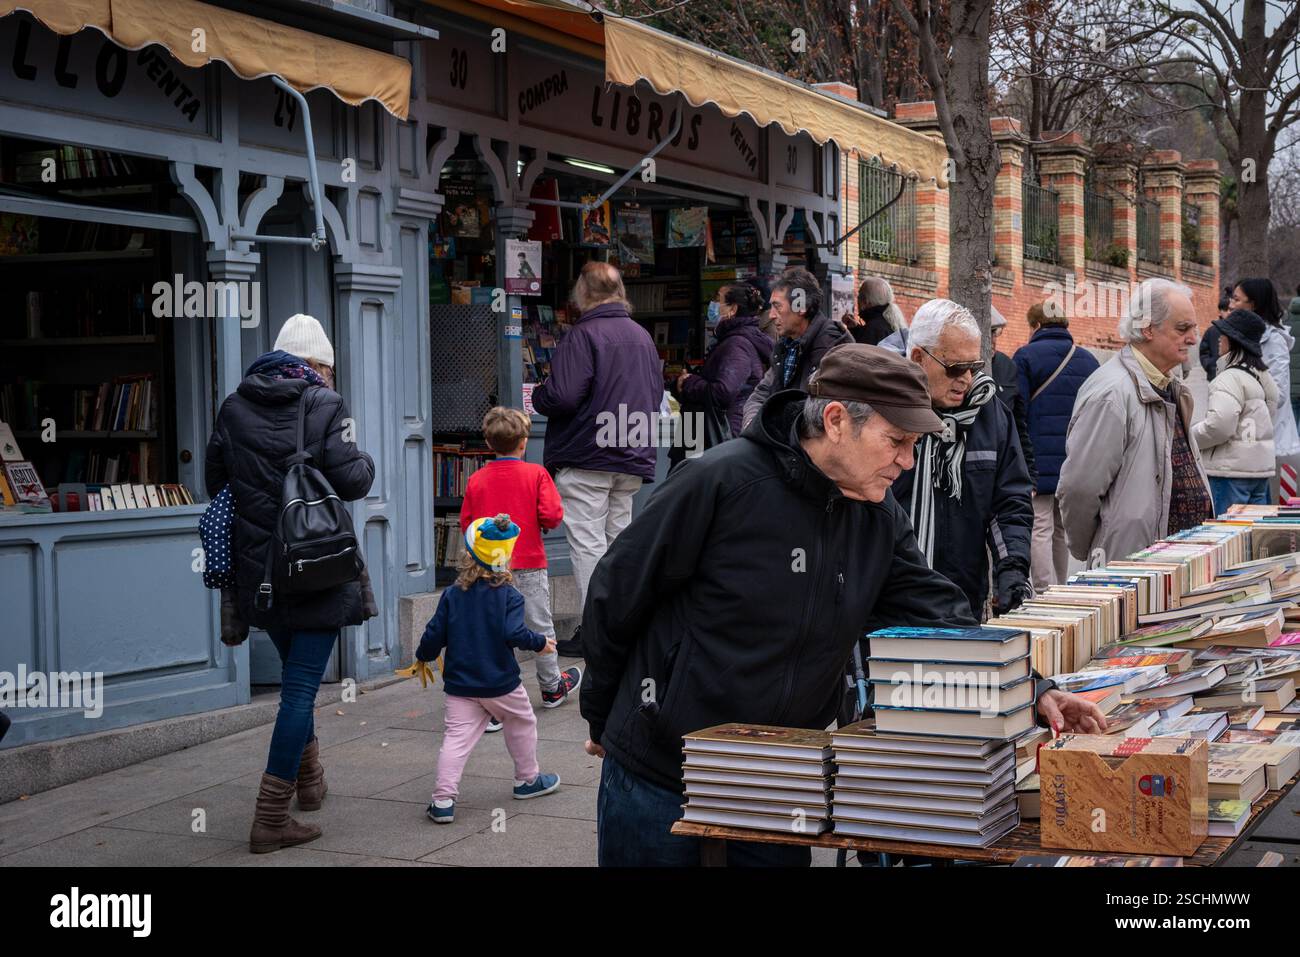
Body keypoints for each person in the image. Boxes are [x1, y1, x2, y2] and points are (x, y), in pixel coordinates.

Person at [580, 344, 1105, 867]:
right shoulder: (721, 482)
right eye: (896, 441)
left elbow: (940, 616)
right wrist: (601, 719)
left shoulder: (877, 515)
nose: (907, 460)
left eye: (915, 444)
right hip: (661, 774)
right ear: (835, 421)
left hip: (780, 782)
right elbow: (617, 591)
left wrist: (1033, 688)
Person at [205, 313, 375, 854]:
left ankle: (310, 780)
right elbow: (351, 480)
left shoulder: (233, 406)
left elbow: (215, 480)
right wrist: (364, 458)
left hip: (261, 571)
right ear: (318, 364)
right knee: (300, 689)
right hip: (316, 565)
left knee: (293, 675)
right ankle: (271, 817)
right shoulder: (324, 402)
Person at [532, 262, 662, 657]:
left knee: (588, 545)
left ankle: (599, 630)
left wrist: (540, 395)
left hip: (588, 452)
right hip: (630, 451)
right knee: (618, 541)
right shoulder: (641, 336)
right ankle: (623, 624)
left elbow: (565, 396)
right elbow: (654, 393)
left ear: (582, 293)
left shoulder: (583, 334)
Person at [890, 300, 1033, 620]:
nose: (966, 379)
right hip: (887, 598)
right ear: (917, 358)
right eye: (955, 368)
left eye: (974, 367)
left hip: (960, 595)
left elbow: (1008, 502)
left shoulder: (990, 412)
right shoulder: (882, 407)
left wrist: (1012, 571)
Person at [417, 514, 562, 824]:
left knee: (456, 739)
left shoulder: (453, 594)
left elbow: (433, 634)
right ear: (505, 558)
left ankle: (442, 801)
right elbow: (514, 633)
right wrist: (541, 643)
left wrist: (423, 656)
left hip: (460, 685)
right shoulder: (510, 596)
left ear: (467, 556)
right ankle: (527, 779)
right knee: (522, 722)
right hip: (501, 683)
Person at [1058, 279, 1213, 566]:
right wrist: (1100, 548)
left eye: (1194, 328)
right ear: (1147, 329)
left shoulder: (1170, 385)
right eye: (1183, 329)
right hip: (1132, 569)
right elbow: (1079, 490)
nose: (1193, 339)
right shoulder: (1112, 393)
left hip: (1174, 566)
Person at [460, 407, 579, 712]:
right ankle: (552, 687)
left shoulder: (477, 479)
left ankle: (497, 698)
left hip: (489, 565)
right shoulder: (536, 474)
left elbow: (468, 525)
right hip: (528, 560)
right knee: (539, 625)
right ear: (524, 442)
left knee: (493, 629)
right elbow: (552, 515)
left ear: (488, 444)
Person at [1013, 301, 1100, 591]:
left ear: (1036, 325)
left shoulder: (1025, 357)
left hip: (1037, 459)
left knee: (1039, 526)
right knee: (1061, 528)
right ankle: (1061, 586)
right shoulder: (1088, 360)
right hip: (1075, 458)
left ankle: (1043, 590)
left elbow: (1019, 409)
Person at [740, 265, 852, 429]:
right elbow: (762, 393)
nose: (771, 315)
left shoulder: (831, 345)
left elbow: (822, 413)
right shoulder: (786, 345)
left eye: (777, 306)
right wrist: (752, 425)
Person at [1192, 309, 1278, 513]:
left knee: (1228, 536)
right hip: (1259, 472)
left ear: (1234, 340)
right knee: (1256, 538)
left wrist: (1191, 436)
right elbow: (1271, 411)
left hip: (1228, 473)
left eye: (1224, 334)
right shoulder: (1263, 376)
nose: (1219, 338)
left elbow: (1219, 426)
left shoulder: (1228, 378)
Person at [670, 282, 773, 448]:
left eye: (718, 299)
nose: (713, 304)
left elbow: (723, 391)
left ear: (732, 309)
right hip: (717, 433)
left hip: (722, 435)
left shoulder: (736, 344)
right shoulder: (731, 340)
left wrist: (689, 382)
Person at [1231, 277, 1300, 464]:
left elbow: (1278, 394)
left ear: (1253, 304)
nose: (1230, 305)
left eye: (1236, 300)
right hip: (1246, 435)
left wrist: (1237, 397)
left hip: (1269, 441)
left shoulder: (1274, 340)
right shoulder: (1238, 335)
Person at [989, 305, 1036, 490]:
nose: (993, 340)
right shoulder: (958, 367)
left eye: (995, 333)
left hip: (1003, 468)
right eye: (989, 332)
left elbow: (1018, 425)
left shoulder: (1007, 366)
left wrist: (1030, 475)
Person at [848, 275, 906, 346]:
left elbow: (859, 353)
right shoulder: (889, 322)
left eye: (859, 296)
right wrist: (855, 329)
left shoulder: (873, 329)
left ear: (865, 302)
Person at [1199, 295, 1232, 382]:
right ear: (1219, 312)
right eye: (1225, 310)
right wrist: (1210, 365)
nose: (1229, 312)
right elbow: (1203, 352)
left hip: (1234, 376)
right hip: (1214, 376)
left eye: (1231, 310)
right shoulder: (1211, 331)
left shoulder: (1239, 330)